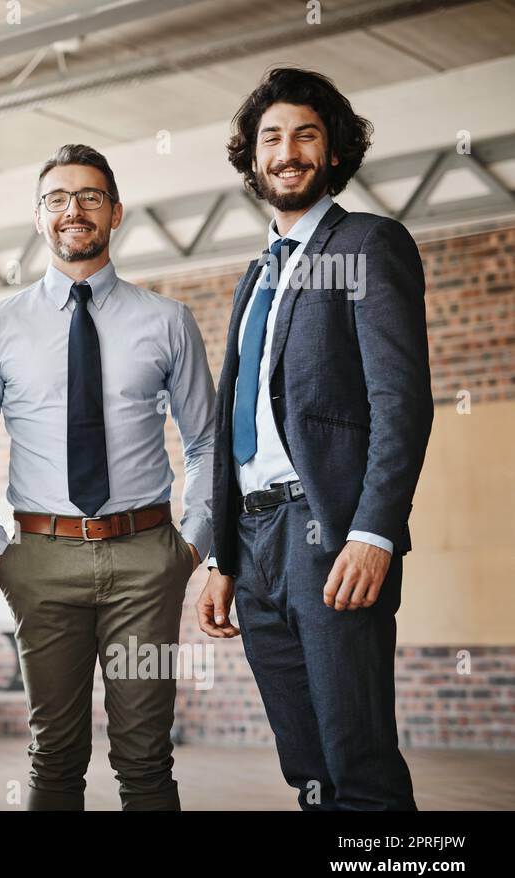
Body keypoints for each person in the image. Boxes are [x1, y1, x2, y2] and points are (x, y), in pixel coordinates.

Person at [0, 144, 215, 810]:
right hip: (40, 561)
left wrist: (191, 549)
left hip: (146, 561)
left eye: (91, 196)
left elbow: (207, 440)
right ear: (39, 218)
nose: (74, 209)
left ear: (116, 212)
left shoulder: (167, 322)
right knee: (55, 755)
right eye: (57, 198)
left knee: (146, 756)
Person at [197, 68, 433, 811]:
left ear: (333, 152)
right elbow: (235, 418)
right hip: (257, 536)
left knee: (355, 758)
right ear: (253, 159)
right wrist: (222, 556)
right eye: (271, 139)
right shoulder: (254, 276)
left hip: (329, 530)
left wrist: (375, 531)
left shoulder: (368, 244)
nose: (287, 151)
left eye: (305, 134)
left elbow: (401, 401)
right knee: (306, 764)